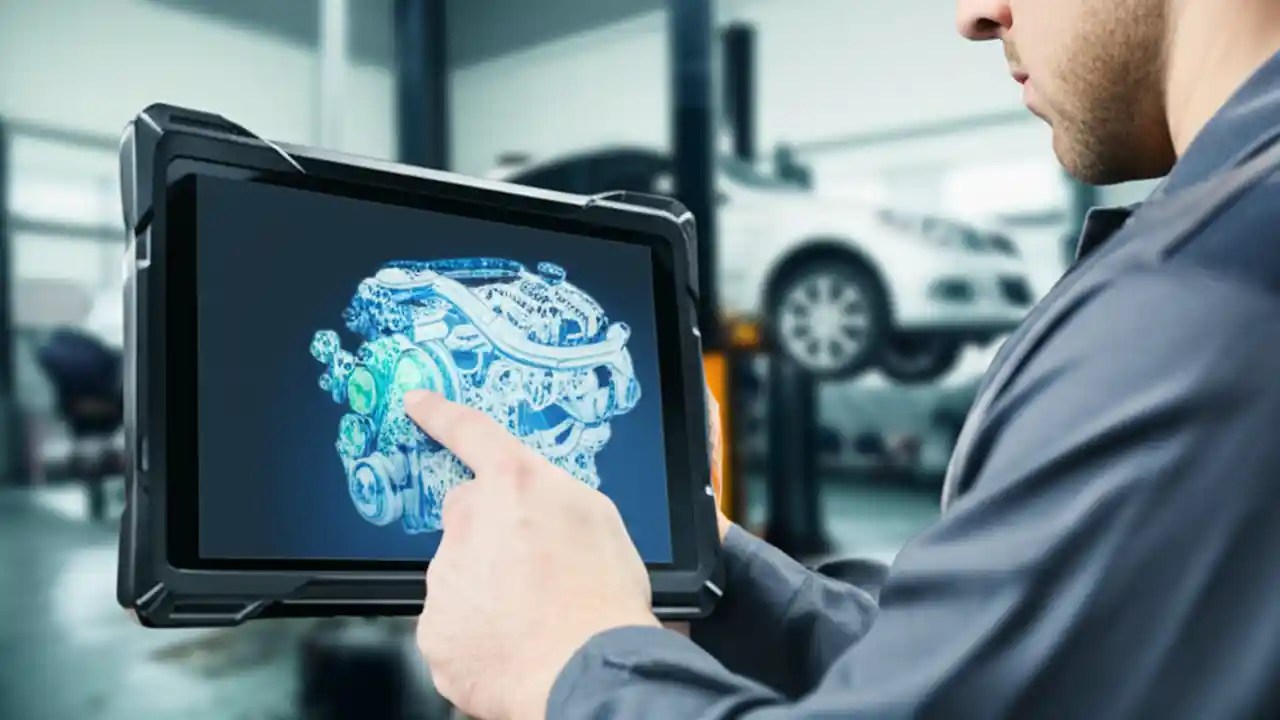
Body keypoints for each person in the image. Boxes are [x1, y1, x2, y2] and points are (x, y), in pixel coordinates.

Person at [406, 1, 1280, 717]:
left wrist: (566, 662)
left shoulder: (1204, 297)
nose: (977, 15)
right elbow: (985, 672)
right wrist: (704, 563)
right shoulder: (1221, 251)